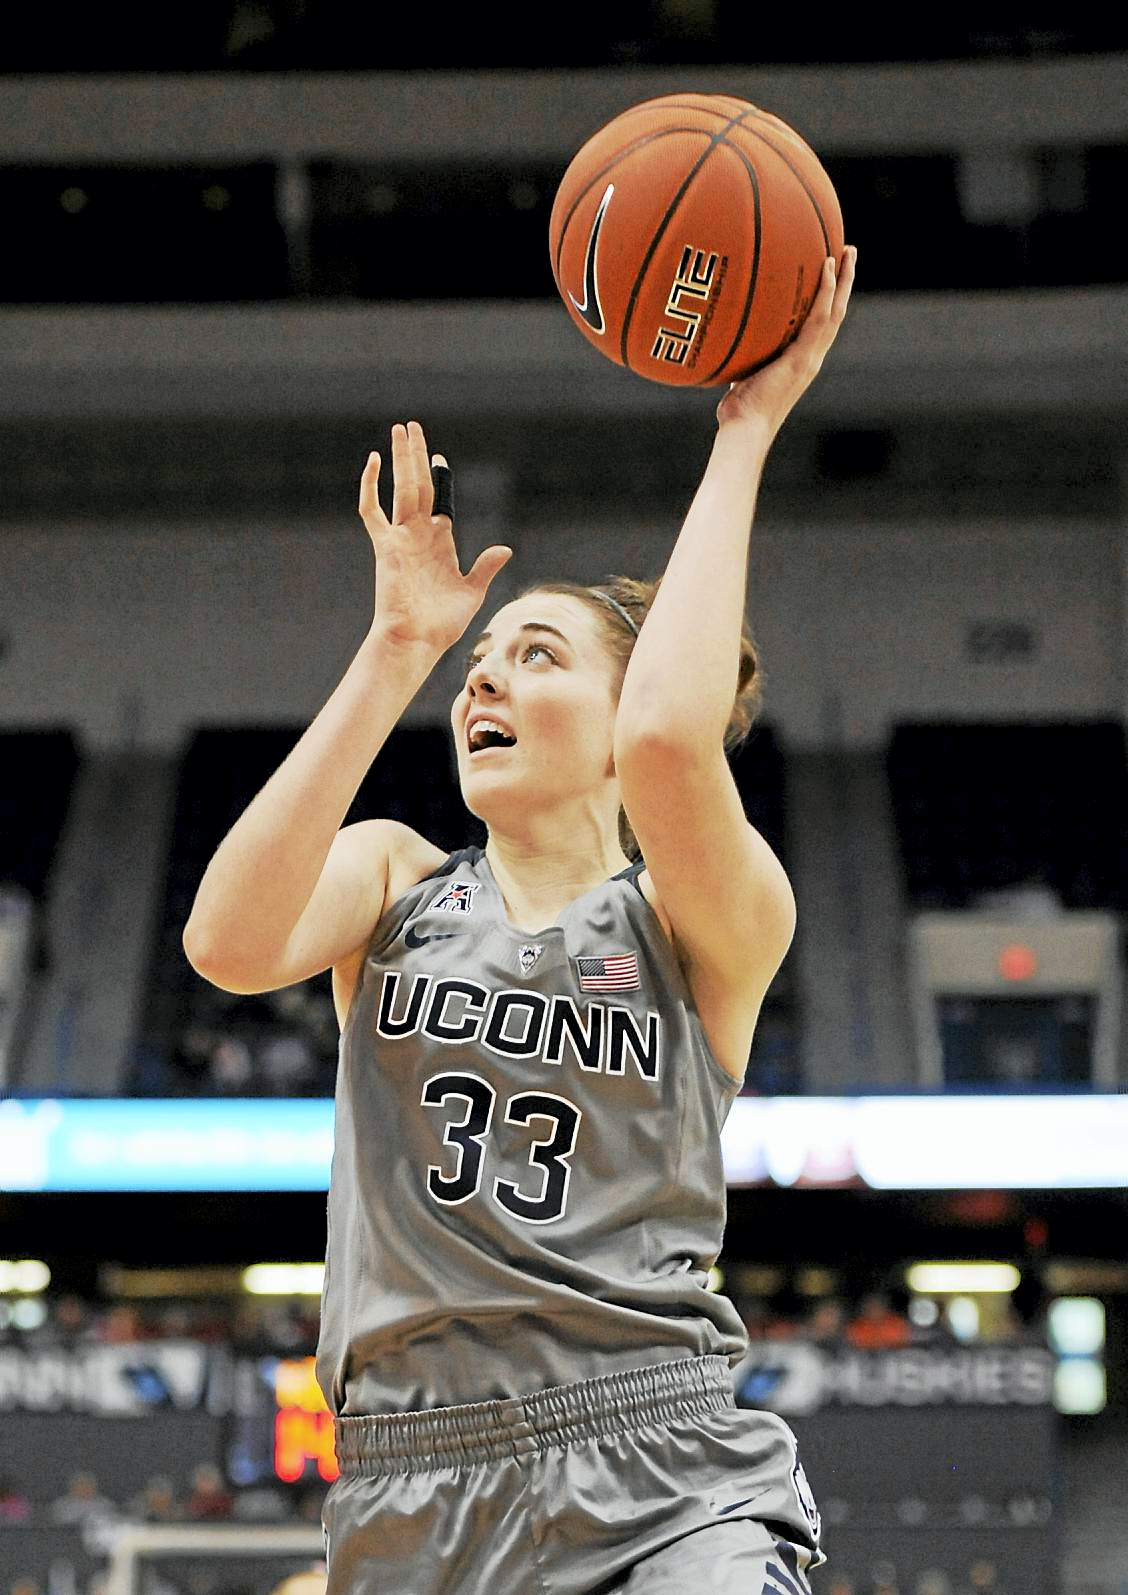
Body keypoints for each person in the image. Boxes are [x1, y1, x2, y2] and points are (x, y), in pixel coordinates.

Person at [184, 249, 856, 1593]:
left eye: (535, 657)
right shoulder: (393, 879)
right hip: (407, 1480)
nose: (482, 682)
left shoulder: (702, 917)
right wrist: (397, 652)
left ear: (620, 714)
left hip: (658, 1459)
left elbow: (668, 738)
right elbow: (227, 945)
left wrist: (744, 431)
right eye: (478, 667)